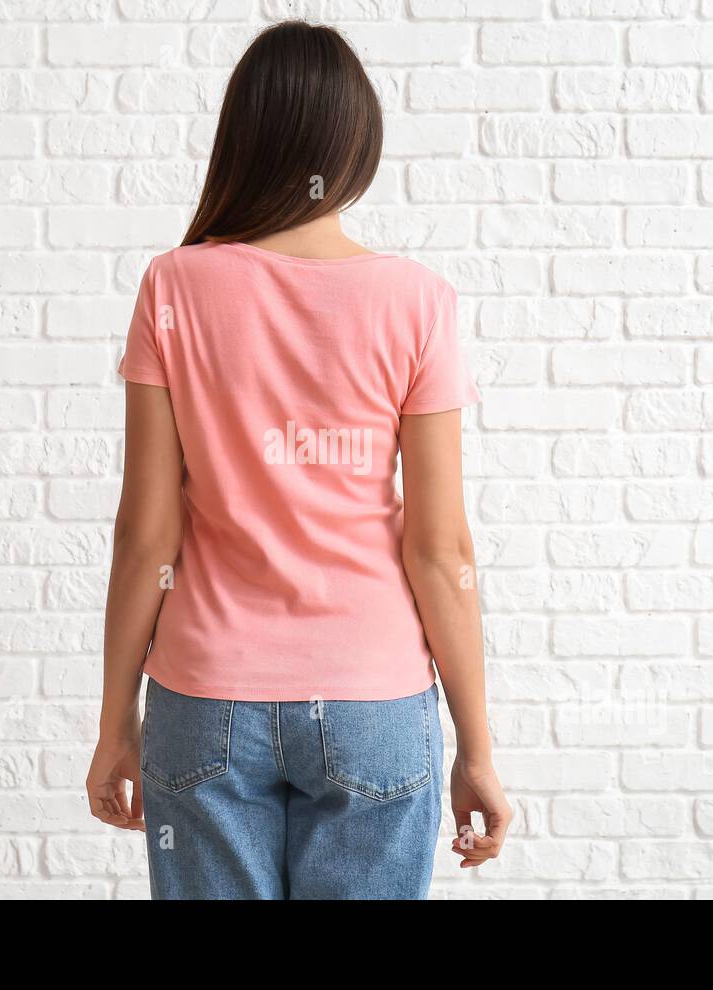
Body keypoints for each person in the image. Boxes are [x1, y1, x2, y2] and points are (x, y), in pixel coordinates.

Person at [86, 19, 510, 900]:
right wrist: (475, 746)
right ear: (354, 146)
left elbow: (146, 537)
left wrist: (114, 721)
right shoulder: (418, 304)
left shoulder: (175, 286)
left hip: (204, 705)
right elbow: (442, 551)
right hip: (376, 703)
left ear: (244, 139)